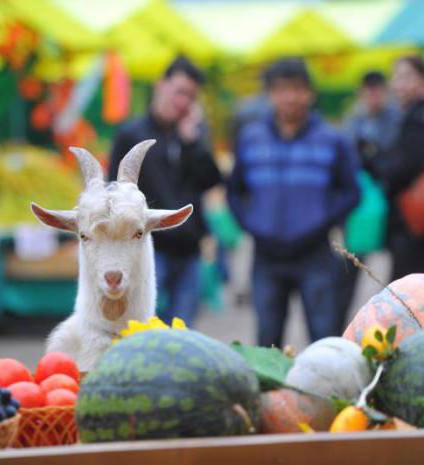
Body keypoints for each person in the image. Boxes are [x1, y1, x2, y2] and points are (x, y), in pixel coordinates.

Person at [227, 57, 360, 348]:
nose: (289, 97)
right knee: (267, 342)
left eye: (297, 89)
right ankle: (272, 396)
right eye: (280, 90)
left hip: (316, 254)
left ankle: (325, 394)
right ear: (270, 95)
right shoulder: (251, 138)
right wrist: (252, 225)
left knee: (325, 339)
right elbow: (234, 191)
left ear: (310, 93)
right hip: (266, 256)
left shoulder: (332, 139)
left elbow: (351, 192)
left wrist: (322, 220)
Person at [109, 56, 222, 326]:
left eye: (190, 97)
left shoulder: (191, 134)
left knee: (182, 331)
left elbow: (211, 180)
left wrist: (193, 144)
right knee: (144, 325)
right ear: (161, 85)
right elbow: (113, 187)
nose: (183, 102)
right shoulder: (131, 133)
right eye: (180, 92)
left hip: (188, 249)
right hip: (149, 247)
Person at [371, 56, 424, 281]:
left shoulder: (419, 115)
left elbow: (406, 166)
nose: (398, 84)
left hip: (415, 216)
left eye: (406, 77)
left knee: (407, 291)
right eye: (396, 77)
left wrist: (376, 162)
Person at [340, 71, 401, 314]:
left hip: (390, 201)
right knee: (351, 265)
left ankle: (395, 314)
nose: (374, 97)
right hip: (363, 206)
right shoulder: (354, 119)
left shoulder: (395, 117)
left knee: (398, 271)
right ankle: (342, 319)